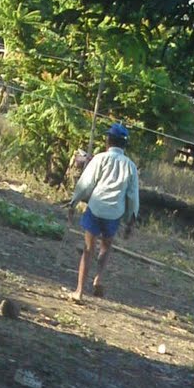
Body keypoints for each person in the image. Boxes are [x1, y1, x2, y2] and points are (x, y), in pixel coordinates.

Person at [68, 123, 140, 302]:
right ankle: (98, 278)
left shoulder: (100, 158)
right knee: (106, 247)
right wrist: (131, 220)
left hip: (96, 208)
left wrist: (73, 202)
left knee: (88, 249)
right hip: (114, 213)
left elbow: (86, 184)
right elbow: (132, 196)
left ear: (108, 141)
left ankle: (79, 291)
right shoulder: (130, 166)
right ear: (125, 144)